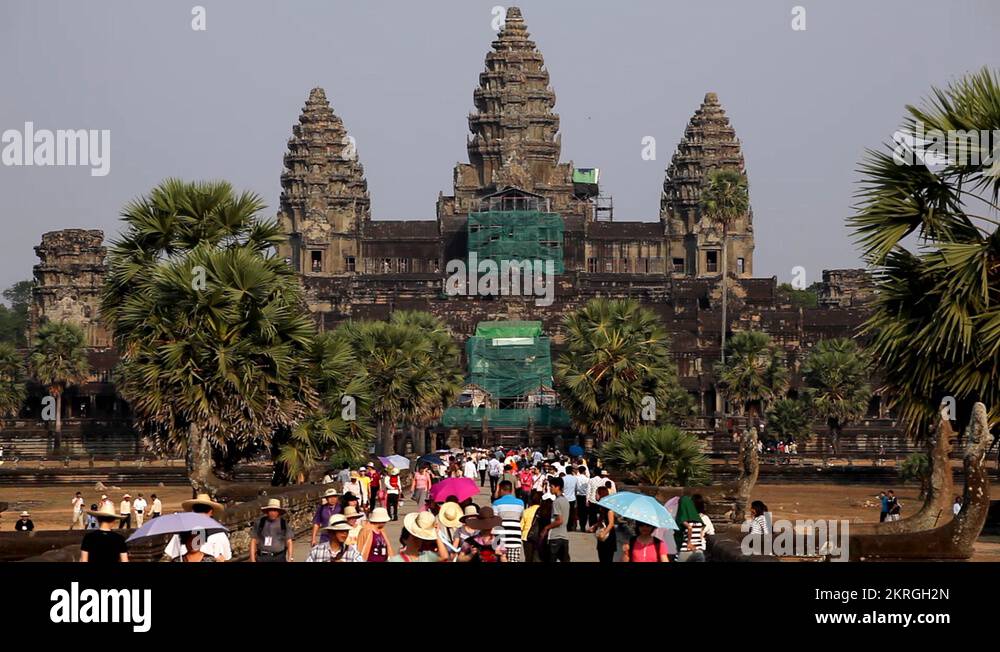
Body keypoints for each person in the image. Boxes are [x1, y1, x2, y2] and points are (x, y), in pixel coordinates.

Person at [165, 493, 231, 561]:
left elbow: (172, 555)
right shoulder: (220, 535)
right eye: (198, 509)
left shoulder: (180, 533)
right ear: (211, 512)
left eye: (204, 509)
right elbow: (226, 557)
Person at [492, 480, 525, 562]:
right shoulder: (520, 503)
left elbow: (494, 520)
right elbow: (521, 517)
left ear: (502, 490)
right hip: (515, 537)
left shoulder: (496, 503)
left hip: (500, 538)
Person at [542, 476, 570, 562]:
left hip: (555, 537)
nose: (550, 488)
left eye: (551, 486)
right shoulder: (565, 500)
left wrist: (546, 528)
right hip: (564, 537)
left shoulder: (556, 502)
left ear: (557, 487)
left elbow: (559, 520)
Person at [588, 486, 617, 563]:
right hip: (602, 536)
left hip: (608, 537)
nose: (595, 495)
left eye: (596, 493)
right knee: (602, 557)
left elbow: (611, 523)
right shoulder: (601, 507)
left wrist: (604, 533)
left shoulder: (609, 508)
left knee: (607, 558)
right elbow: (601, 521)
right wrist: (594, 526)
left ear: (601, 494)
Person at [675, 495, 707, 562]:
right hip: (698, 550)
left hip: (686, 550)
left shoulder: (684, 519)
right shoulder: (699, 520)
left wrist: (689, 542)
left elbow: (689, 528)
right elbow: (701, 535)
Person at [562, 467, 578, 532]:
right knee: (571, 513)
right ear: (571, 471)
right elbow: (576, 489)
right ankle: (569, 526)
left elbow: (561, 488)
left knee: (564, 512)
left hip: (564, 497)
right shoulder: (575, 479)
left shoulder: (563, 479)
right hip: (572, 498)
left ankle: (564, 525)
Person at [575, 465, 589, 531]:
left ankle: (581, 525)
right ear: (584, 471)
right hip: (585, 496)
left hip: (578, 496)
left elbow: (575, 488)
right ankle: (583, 525)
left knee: (580, 511)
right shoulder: (587, 479)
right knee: (585, 512)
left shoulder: (576, 478)